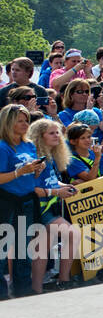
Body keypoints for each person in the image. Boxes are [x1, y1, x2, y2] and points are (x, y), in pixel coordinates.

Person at [0, 104, 46, 298]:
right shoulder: (2, 146)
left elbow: (31, 175)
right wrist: (20, 172)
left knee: (23, 250)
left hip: (26, 200)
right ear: (8, 122)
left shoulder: (28, 144)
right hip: (6, 202)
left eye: (26, 119)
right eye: (20, 120)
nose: (25, 123)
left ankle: (23, 291)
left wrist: (37, 170)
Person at [27, 117, 77, 293]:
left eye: (58, 132)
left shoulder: (50, 156)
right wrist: (56, 192)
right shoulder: (35, 158)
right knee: (72, 234)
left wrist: (66, 187)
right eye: (52, 133)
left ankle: (37, 289)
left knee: (42, 250)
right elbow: (31, 188)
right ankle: (63, 280)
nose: (57, 135)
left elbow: (51, 181)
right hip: (39, 209)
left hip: (49, 207)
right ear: (40, 136)